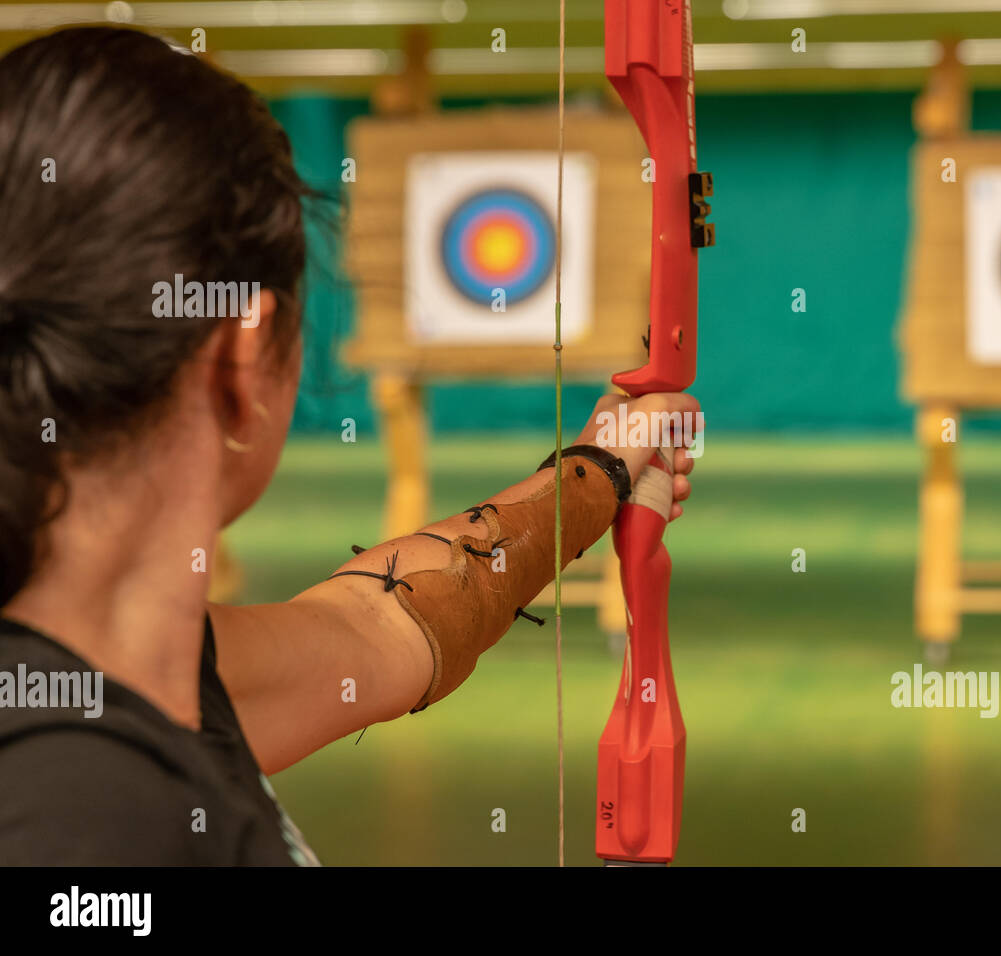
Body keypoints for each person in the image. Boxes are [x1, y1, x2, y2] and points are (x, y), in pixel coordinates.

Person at [0, 26, 700, 865]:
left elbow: (381, 622)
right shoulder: (95, 826)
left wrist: (600, 471)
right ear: (242, 358)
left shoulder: (143, 672)